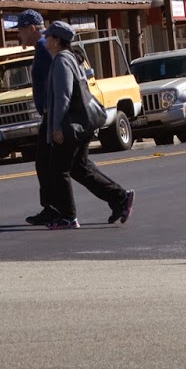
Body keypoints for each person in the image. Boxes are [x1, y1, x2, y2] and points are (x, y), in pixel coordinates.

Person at [40, 20, 134, 230]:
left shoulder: (62, 61)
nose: (45, 39)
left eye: (48, 36)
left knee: (58, 170)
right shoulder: (71, 58)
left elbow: (63, 96)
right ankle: (120, 197)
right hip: (82, 124)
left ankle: (68, 217)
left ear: (56, 41)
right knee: (79, 168)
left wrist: (56, 126)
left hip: (71, 126)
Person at [15, 10, 60, 227]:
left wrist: (53, 113)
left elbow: (56, 81)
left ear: (32, 28)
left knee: (46, 164)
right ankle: (118, 197)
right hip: (51, 113)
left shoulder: (43, 48)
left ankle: (53, 209)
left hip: (53, 114)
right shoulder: (43, 47)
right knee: (74, 165)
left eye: (21, 29)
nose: (19, 34)